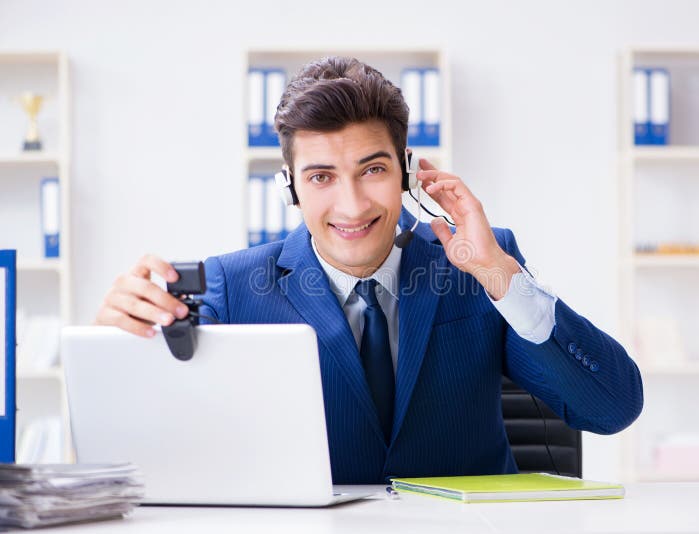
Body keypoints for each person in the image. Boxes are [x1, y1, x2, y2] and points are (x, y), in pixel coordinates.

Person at [96, 56, 643, 484]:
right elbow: (138, 448)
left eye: (372, 169)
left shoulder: (482, 267)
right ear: (289, 185)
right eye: (320, 177)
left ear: (407, 172)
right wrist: (120, 343)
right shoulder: (232, 288)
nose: (352, 205)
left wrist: (499, 274)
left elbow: (613, 407)